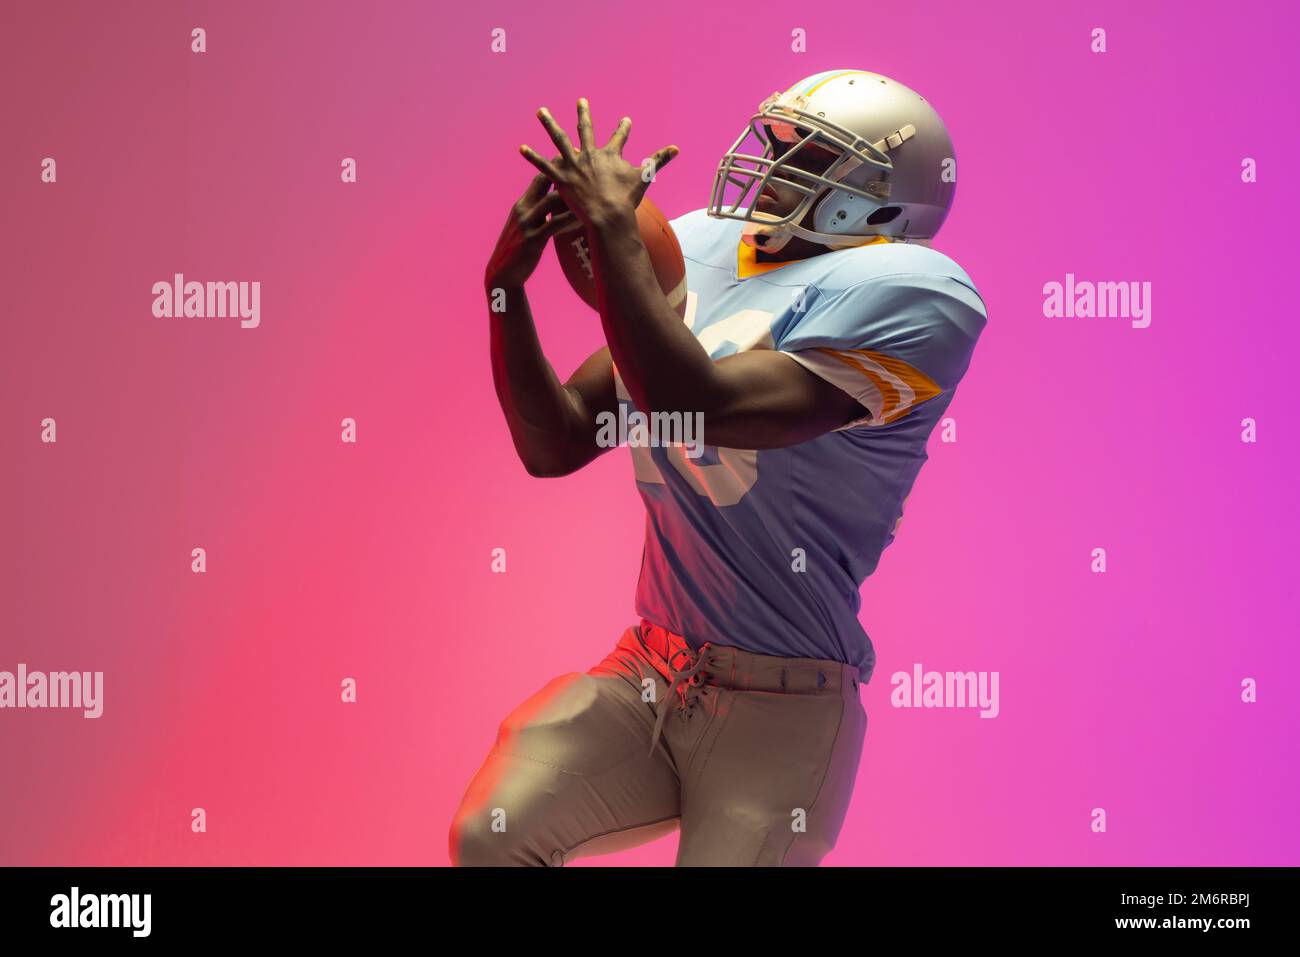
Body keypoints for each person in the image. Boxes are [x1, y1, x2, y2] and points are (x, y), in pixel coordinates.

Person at [452, 70, 987, 866]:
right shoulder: (704, 247)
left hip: (785, 699)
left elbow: (702, 405)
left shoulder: (918, 295)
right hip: (653, 668)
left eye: (809, 157)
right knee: (492, 833)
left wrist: (617, 238)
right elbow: (555, 443)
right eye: (776, 144)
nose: (770, 169)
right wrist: (504, 289)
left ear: (878, 200)